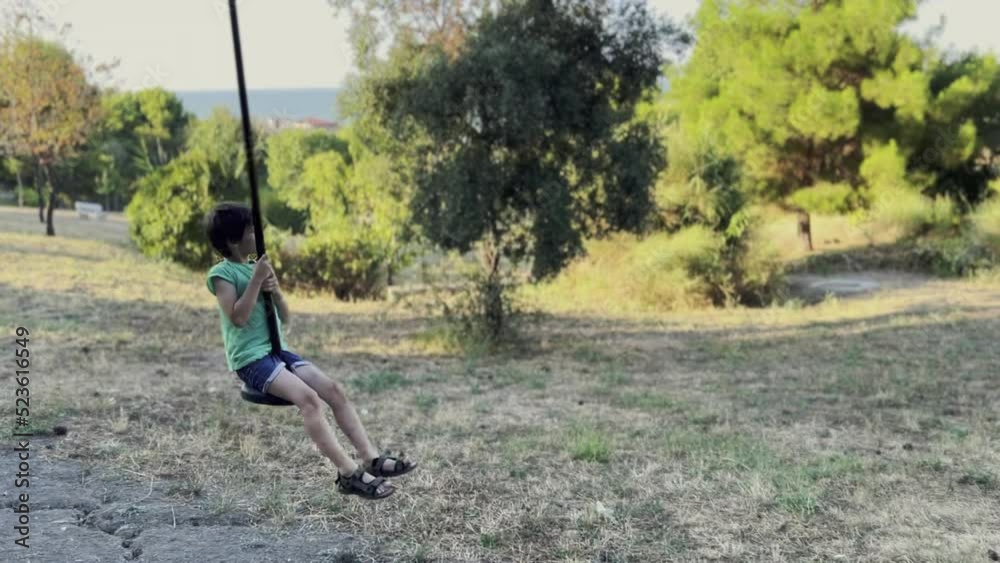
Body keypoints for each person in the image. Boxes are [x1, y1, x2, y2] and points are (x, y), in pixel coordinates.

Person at [204, 202, 416, 500]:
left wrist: (274, 291)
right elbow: (237, 317)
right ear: (233, 239)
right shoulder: (222, 274)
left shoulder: (256, 267)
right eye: (252, 230)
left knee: (334, 390)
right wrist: (254, 281)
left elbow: (285, 318)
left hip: (279, 351)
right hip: (251, 358)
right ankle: (348, 473)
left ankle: (371, 458)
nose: (258, 234)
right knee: (309, 401)